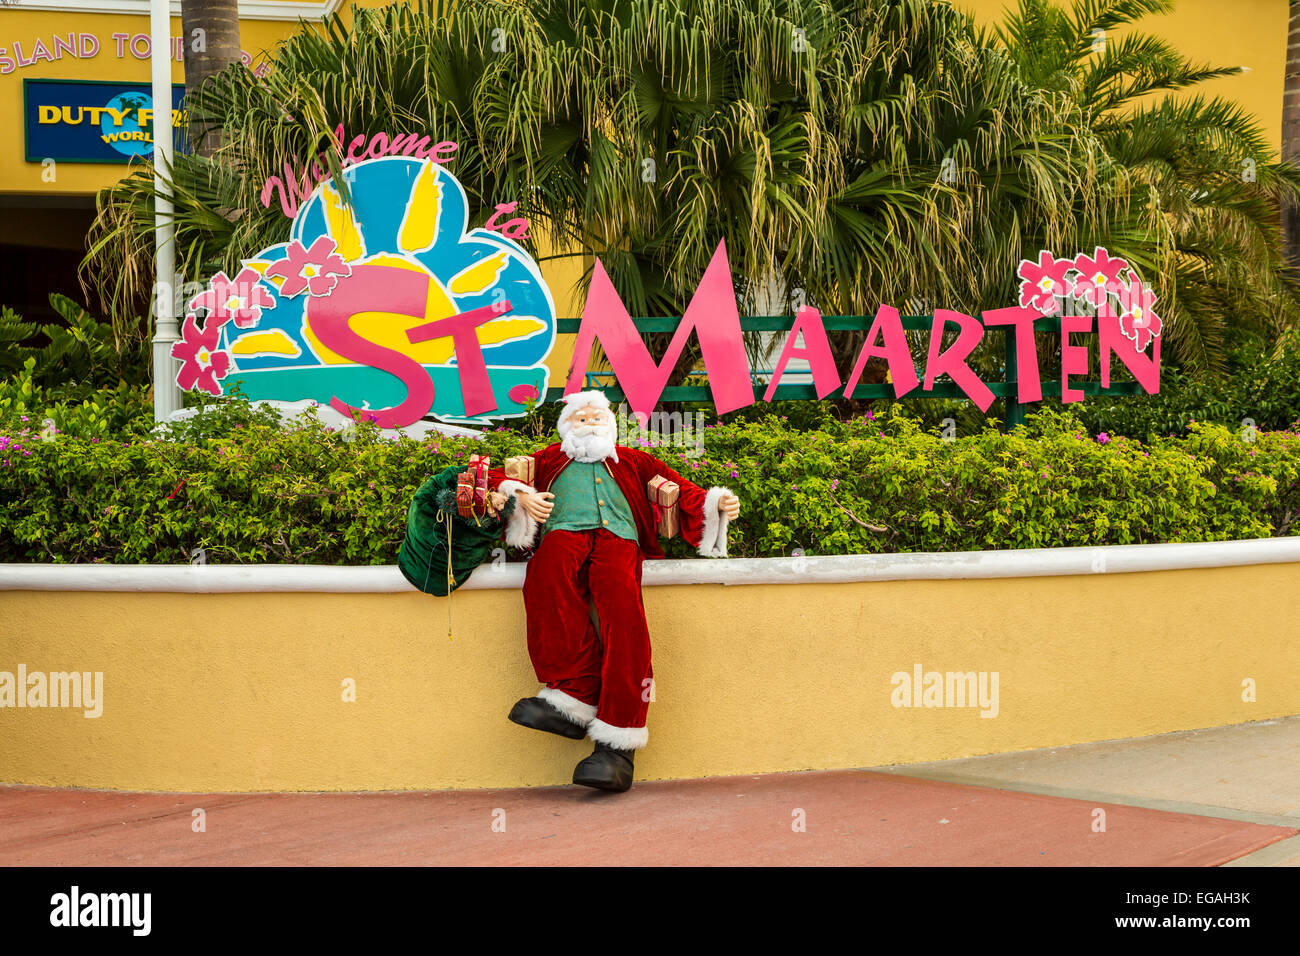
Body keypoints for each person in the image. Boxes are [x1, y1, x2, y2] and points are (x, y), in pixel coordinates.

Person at [488, 390, 740, 791]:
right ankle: (572, 697)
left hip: (619, 540)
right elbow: (500, 479)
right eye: (580, 419)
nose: (589, 424)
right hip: (560, 537)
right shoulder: (550, 457)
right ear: (566, 424)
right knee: (546, 588)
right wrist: (519, 495)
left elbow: (680, 487)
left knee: (625, 621)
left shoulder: (634, 461)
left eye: (596, 418)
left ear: (610, 424)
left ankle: (618, 744)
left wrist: (717, 502)